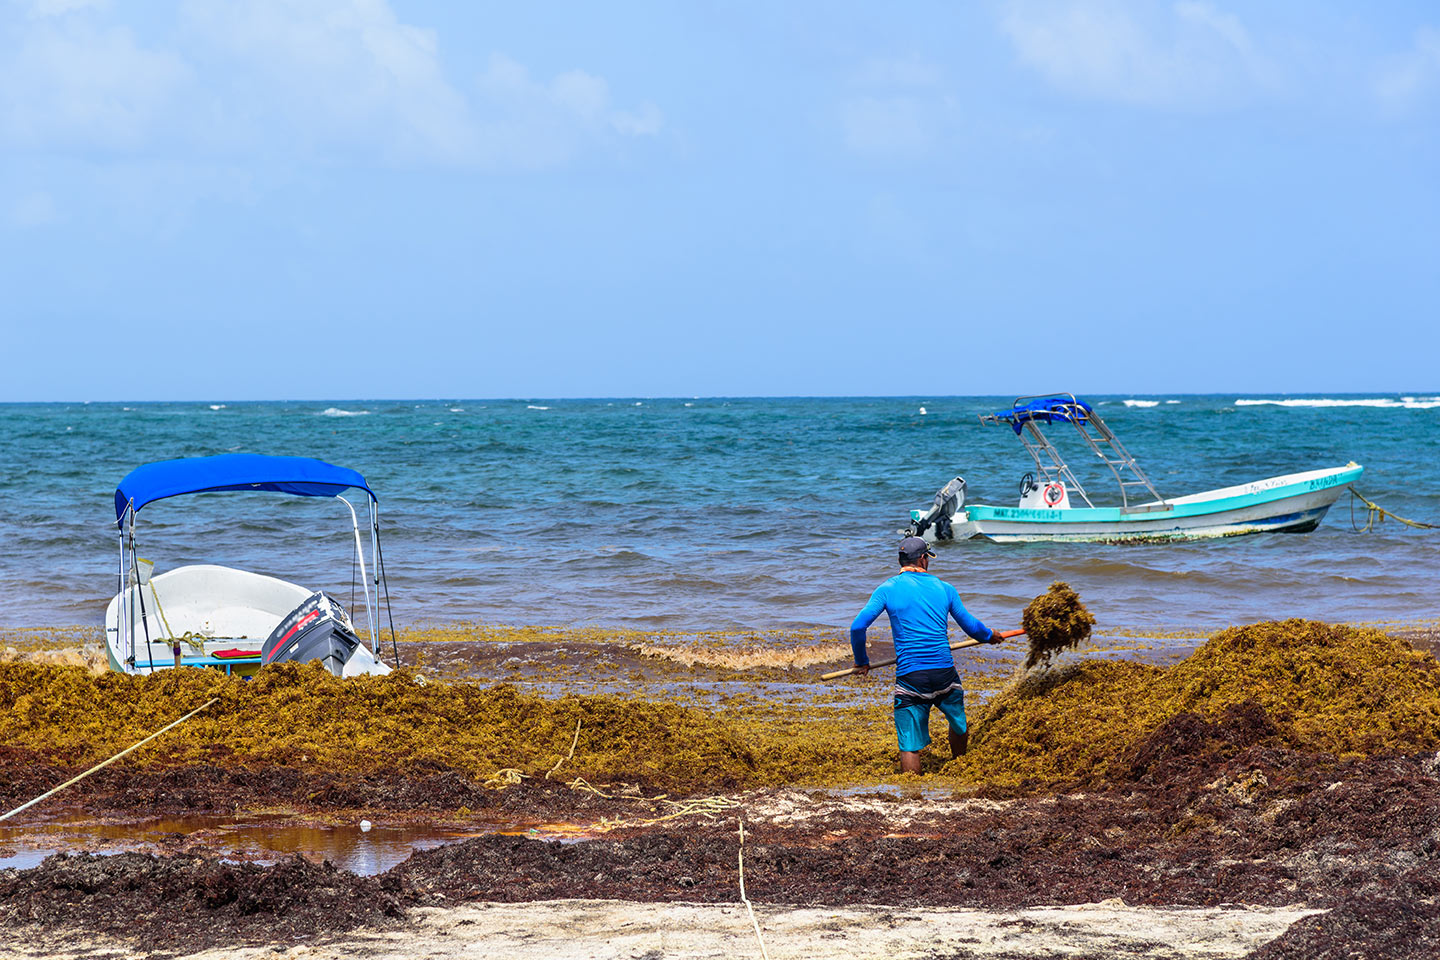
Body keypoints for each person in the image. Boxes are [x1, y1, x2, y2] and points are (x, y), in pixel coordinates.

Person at [850, 536, 998, 774]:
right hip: (944, 673)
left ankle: (912, 789)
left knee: (910, 744)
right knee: (958, 723)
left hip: (912, 677)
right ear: (922, 559)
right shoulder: (945, 588)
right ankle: (960, 766)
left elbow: (858, 627)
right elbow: (972, 628)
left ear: (900, 560)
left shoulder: (887, 589)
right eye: (928, 557)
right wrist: (990, 635)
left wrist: (862, 661)